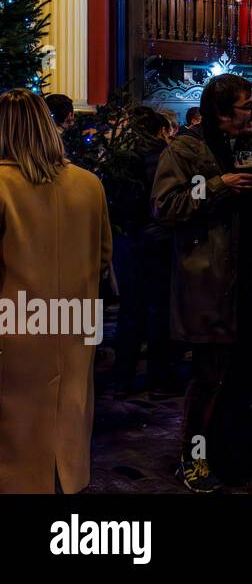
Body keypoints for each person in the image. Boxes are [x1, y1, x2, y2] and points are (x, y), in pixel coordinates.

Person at [153, 74, 252, 492]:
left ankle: (235, 454)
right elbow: (166, 206)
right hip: (210, 282)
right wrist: (217, 186)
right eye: (247, 105)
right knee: (209, 378)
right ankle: (193, 457)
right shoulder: (185, 149)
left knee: (243, 374)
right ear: (220, 111)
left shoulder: (251, 147)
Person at [0, 89, 112, 493]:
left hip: (16, 330)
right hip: (77, 327)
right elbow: (103, 257)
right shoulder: (89, 184)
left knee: (16, 445)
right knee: (68, 425)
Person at [109, 110, 180, 398]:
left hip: (130, 240)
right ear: (161, 130)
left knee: (130, 310)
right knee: (159, 311)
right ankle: (159, 378)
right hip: (159, 240)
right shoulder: (164, 155)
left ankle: (122, 378)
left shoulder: (122, 158)